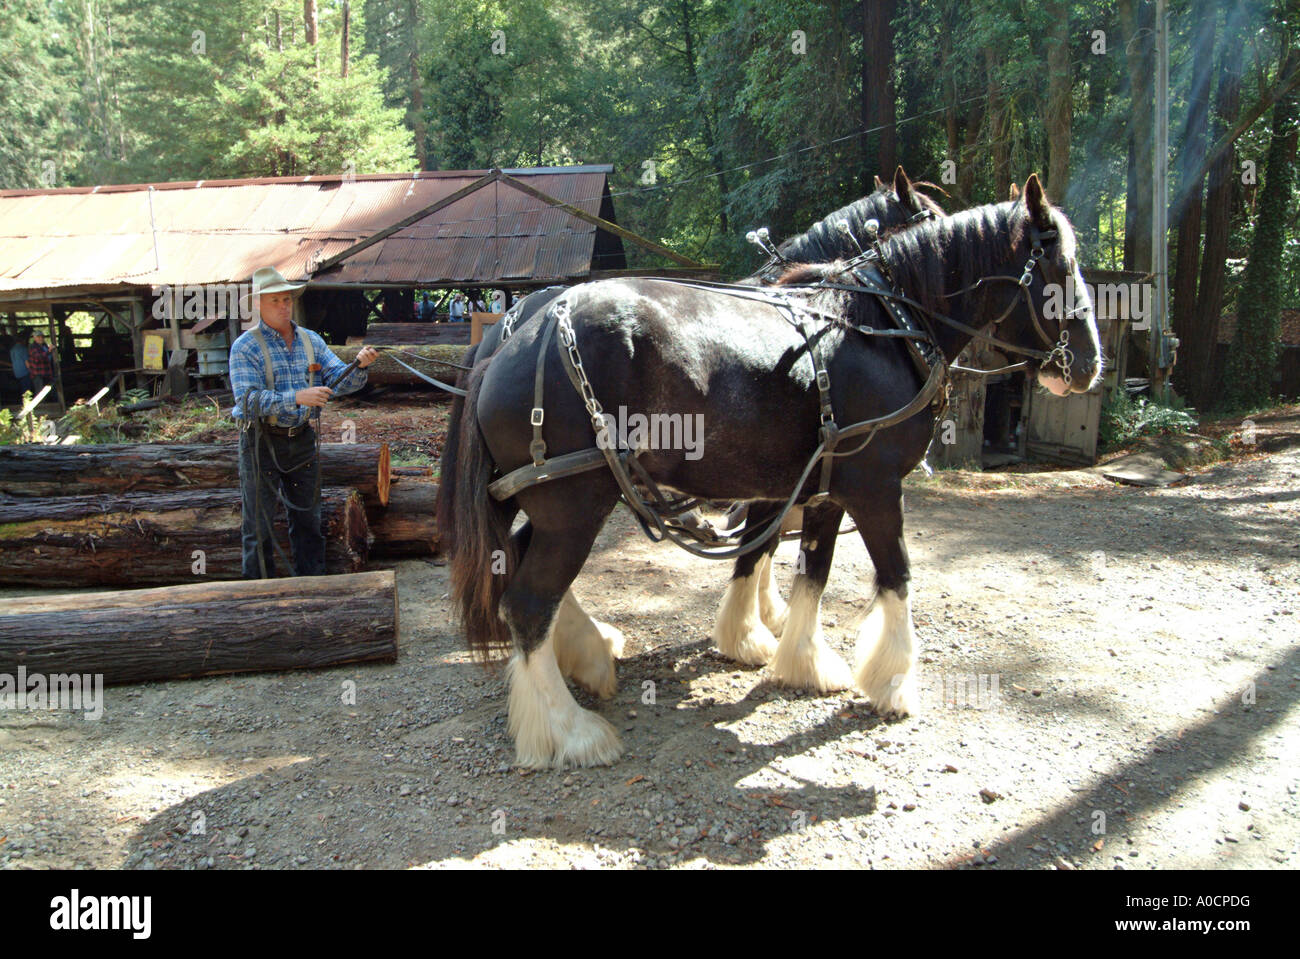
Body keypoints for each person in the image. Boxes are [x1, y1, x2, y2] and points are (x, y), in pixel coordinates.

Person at [230, 267, 378, 578]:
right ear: (259, 304)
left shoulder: (311, 341)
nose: (284, 306)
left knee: (309, 522)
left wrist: (359, 366)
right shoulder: (245, 347)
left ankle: (312, 589)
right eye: (275, 301)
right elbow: (246, 401)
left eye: (287, 299)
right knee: (258, 526)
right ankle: (257, 598)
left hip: (301, 440)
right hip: (260, 441)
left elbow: (340, 381)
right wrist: (297, 397)